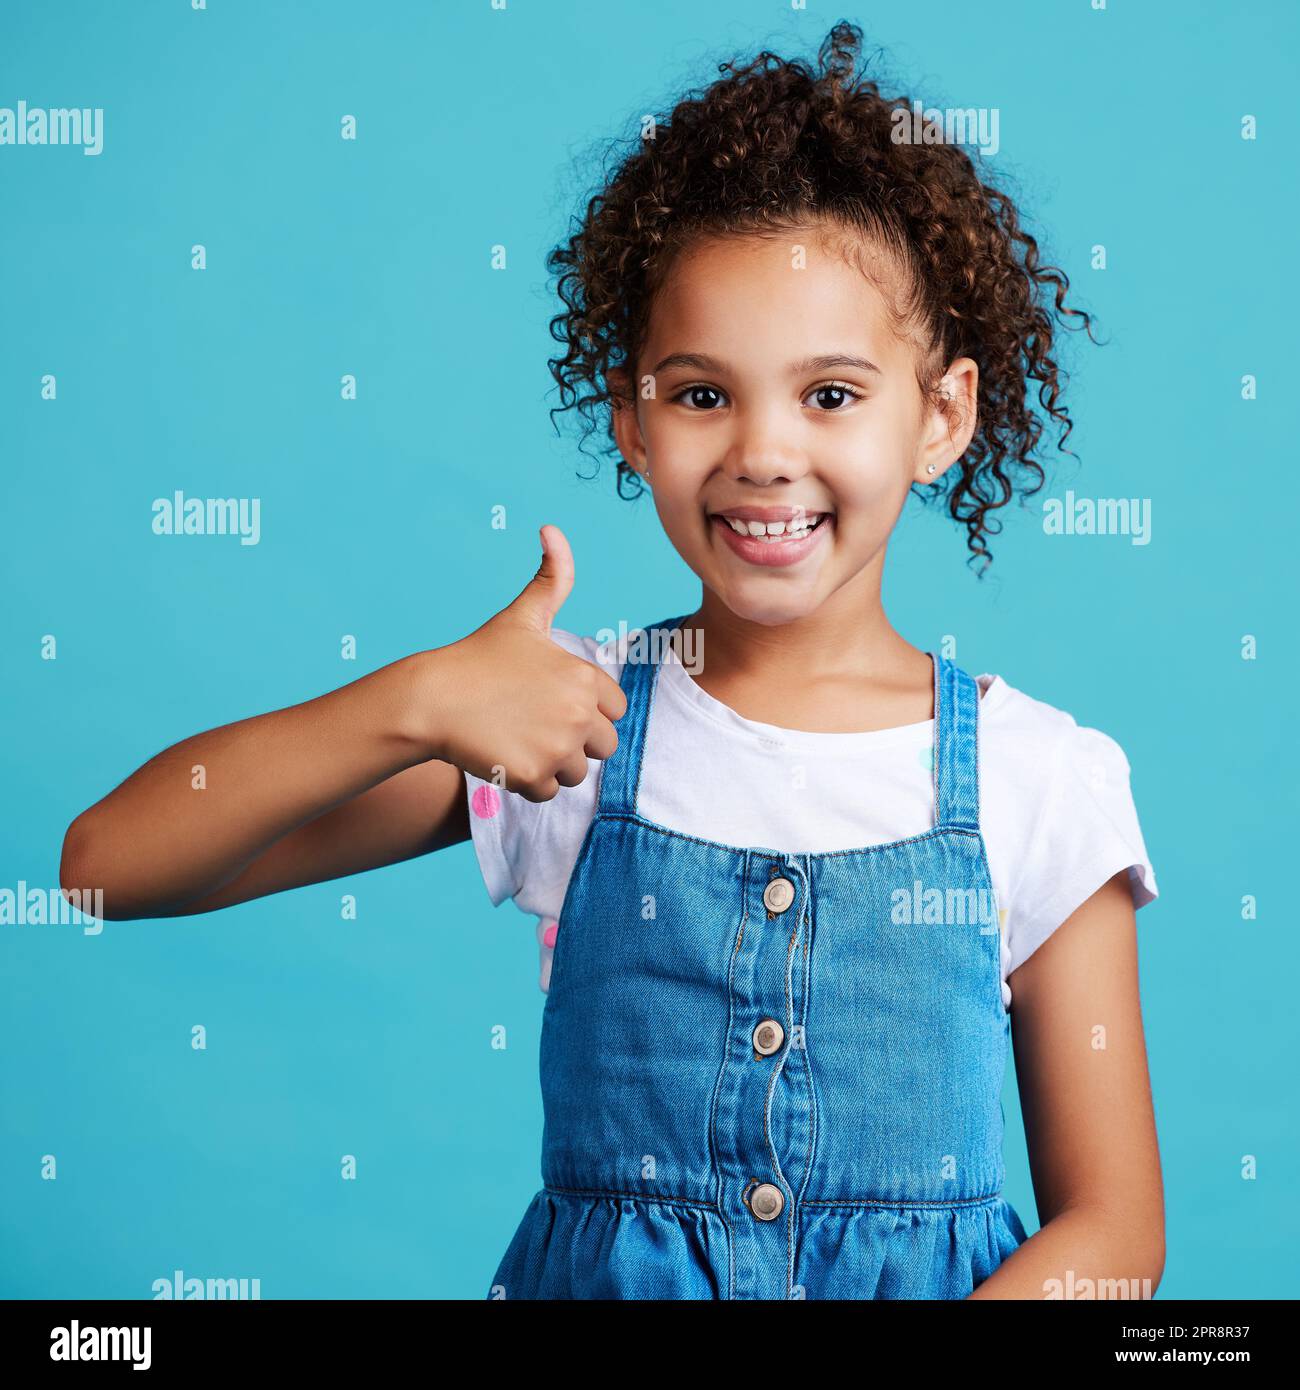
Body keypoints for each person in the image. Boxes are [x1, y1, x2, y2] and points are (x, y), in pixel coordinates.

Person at [61, 22, 1163, 1300]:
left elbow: (1114, 1235)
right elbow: (105, 870)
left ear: (942, 417)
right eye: (701, 394)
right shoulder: (558, 728)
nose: (761, 450)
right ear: (630, 421)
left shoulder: (1041, 780)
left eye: (830, 394)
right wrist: (416, 699)